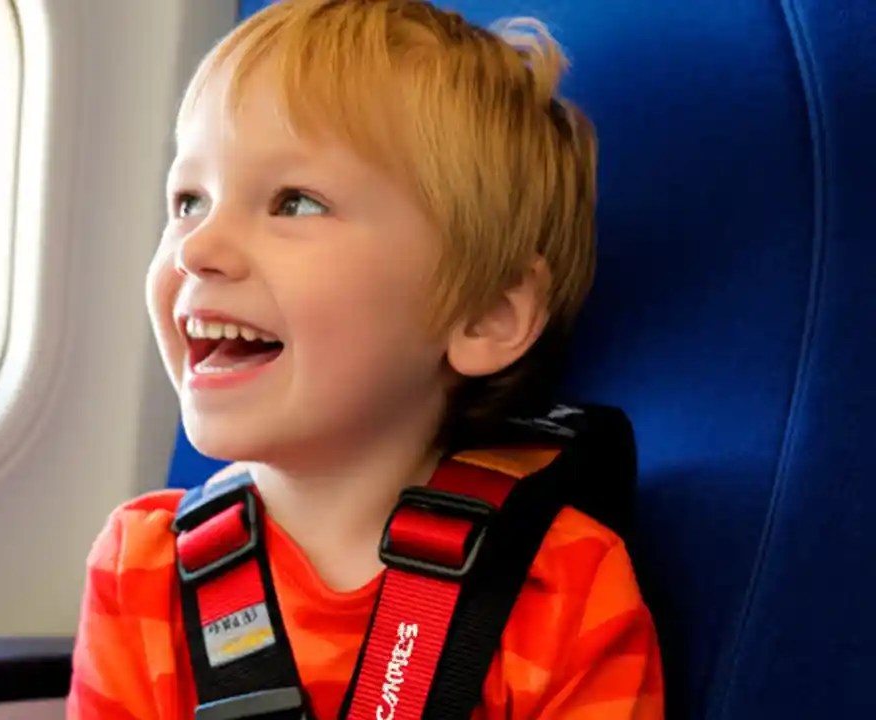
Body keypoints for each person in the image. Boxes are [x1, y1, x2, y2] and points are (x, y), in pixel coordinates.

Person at [67, 1, 664, 717]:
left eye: (296, 203)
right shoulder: (142, 569)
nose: (196, 249)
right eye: (189, 200)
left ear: (486, 316)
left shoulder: (561, 587)